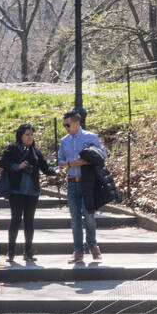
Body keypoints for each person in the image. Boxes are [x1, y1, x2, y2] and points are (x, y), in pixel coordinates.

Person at [0, 123, 57, 264]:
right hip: (16, 191)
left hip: (32, 192)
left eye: (31, 134)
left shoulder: (35, 152)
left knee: (29, 221)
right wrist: (18, 166)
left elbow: (46, 168)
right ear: (21, 136)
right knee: (15, 220)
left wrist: (56, 171)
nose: (30, 137)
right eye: (27, 134)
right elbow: (2, 162)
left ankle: (28, 251)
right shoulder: (13, 149)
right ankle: (11, 251)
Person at [57, 110, 109, 263]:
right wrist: (67, 164)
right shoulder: (64, 141)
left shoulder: (90, 137)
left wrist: (85, 161)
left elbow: (102, 155)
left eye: (68, 124)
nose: (66, 127)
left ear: (77, 123)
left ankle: (93, 246)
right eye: (64, 125)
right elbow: (60, 161)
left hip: (88, 182)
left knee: (89, 215)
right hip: (72, 182)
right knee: (75, 219)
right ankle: (78, 250)